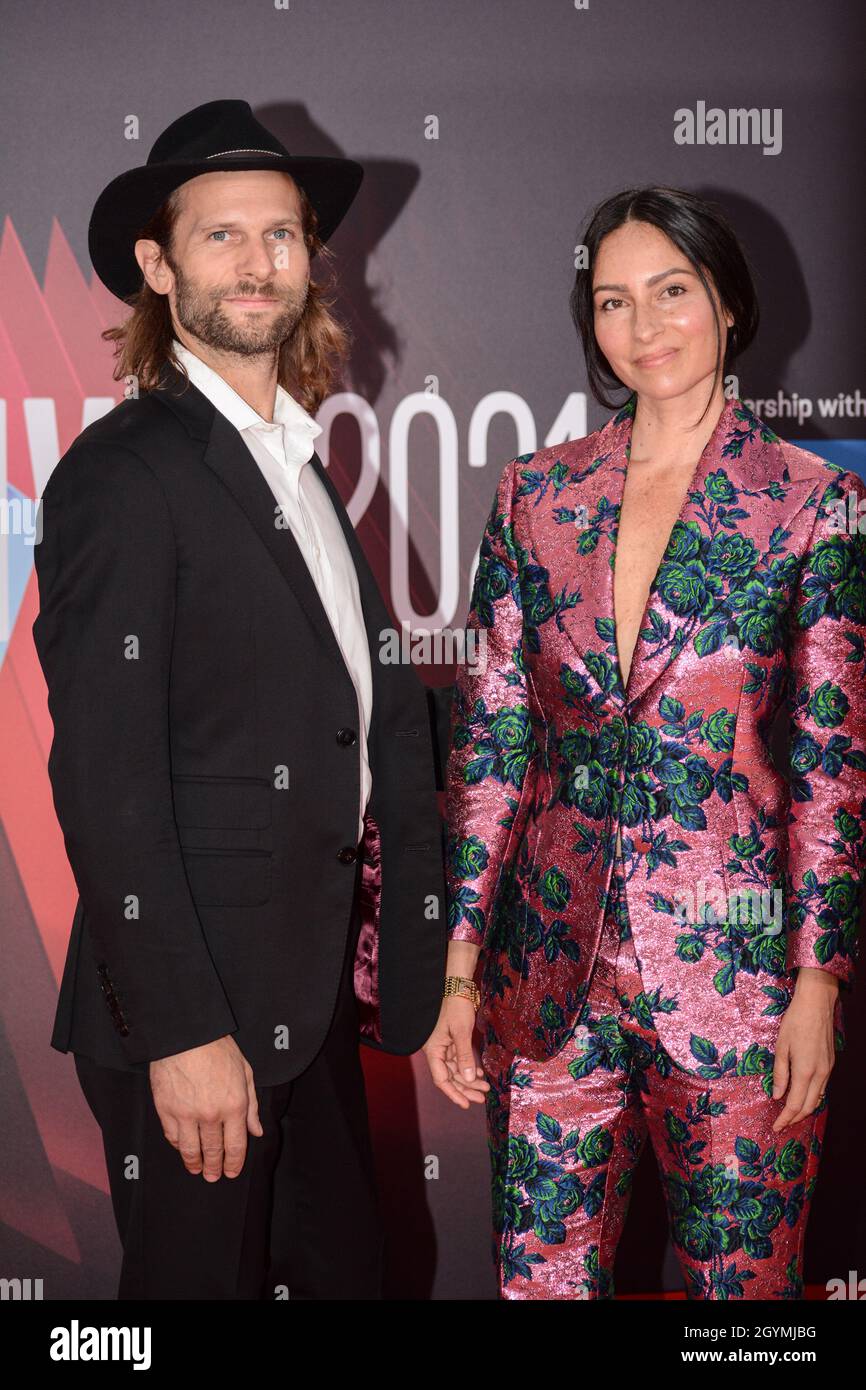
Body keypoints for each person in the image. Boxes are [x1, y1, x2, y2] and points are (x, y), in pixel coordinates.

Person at [33, 99, 446, 1300]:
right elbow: (103, 778)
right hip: (197, 1014)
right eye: (220, 236)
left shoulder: (299, 462)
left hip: (300, 1005)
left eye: (279, 233)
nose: (257, 261)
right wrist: (179, 1030)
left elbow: (356, 723)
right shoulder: (124, 473)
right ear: (158, 269)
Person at [425, 186, 866, 1299]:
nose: (643, 325)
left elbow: (829, 762)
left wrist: (817, 980)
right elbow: (493, 741)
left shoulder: (813, 504)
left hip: (738, 973)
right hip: (547, 974)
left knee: (741, 1299)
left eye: (670, 291)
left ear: (725, 304)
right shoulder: (536, 494)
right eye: (612, 302)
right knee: (538, 1286)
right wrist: (461, 969)